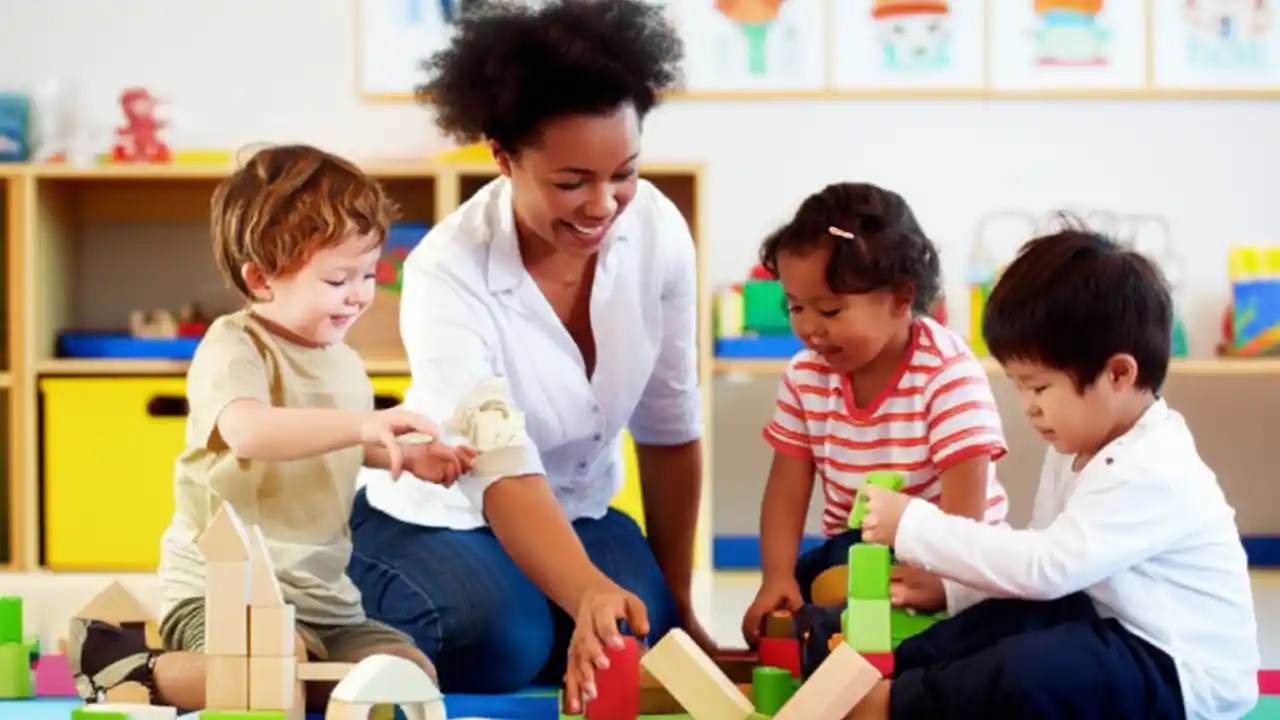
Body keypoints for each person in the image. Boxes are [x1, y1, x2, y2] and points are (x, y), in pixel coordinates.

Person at [344, 0, 710, 710]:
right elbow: (499, 462)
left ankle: (573, 603)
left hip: (578, 509)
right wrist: (583, 589)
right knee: (497, 638)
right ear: (503, 157)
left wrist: (681, 611)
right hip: (446, 511)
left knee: (641, 627)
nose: (603, 205)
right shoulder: (446, 271)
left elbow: (670, 430)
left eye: (624, 173)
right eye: (572, 182)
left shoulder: (658, 228)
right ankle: (362, 575)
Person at [69, 145, 470, 712]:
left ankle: (291, 672)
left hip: (324, 598)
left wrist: (398, 454)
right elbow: (251, 433)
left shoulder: (342, 360)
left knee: (407, 675)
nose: (359, 294)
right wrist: (365, 425)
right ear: (261, 279)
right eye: (337, 279)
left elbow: (325, 446)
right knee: (271, 676)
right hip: (225, 591)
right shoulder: (236, 347)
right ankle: (125, 667)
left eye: (367, 273)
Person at [853, 225, 1260, 719]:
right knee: (1007, 619)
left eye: (1040, 388)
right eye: (1019, 387)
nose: (1029, 408)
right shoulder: (1080, 445)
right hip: (1106, 625)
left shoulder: (1154, 468)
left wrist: (917, 525)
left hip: (1179, 673)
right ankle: (894, 671)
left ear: (1118, 374)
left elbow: (1047, 568)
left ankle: (895, 704)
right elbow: (1046, 563)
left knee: (1033, 669)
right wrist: (958, 589)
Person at [740, 182, 1009, 646]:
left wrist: (945, 578)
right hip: (858, 549)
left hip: (950, 551)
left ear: (902, 299)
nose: (808, 328)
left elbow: (967, 504)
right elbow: (788, 485)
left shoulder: (946, 372)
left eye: (829, 310)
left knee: (833, 598)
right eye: (795, 307)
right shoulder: (807, 375)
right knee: (798, 595)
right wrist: (775, 577)